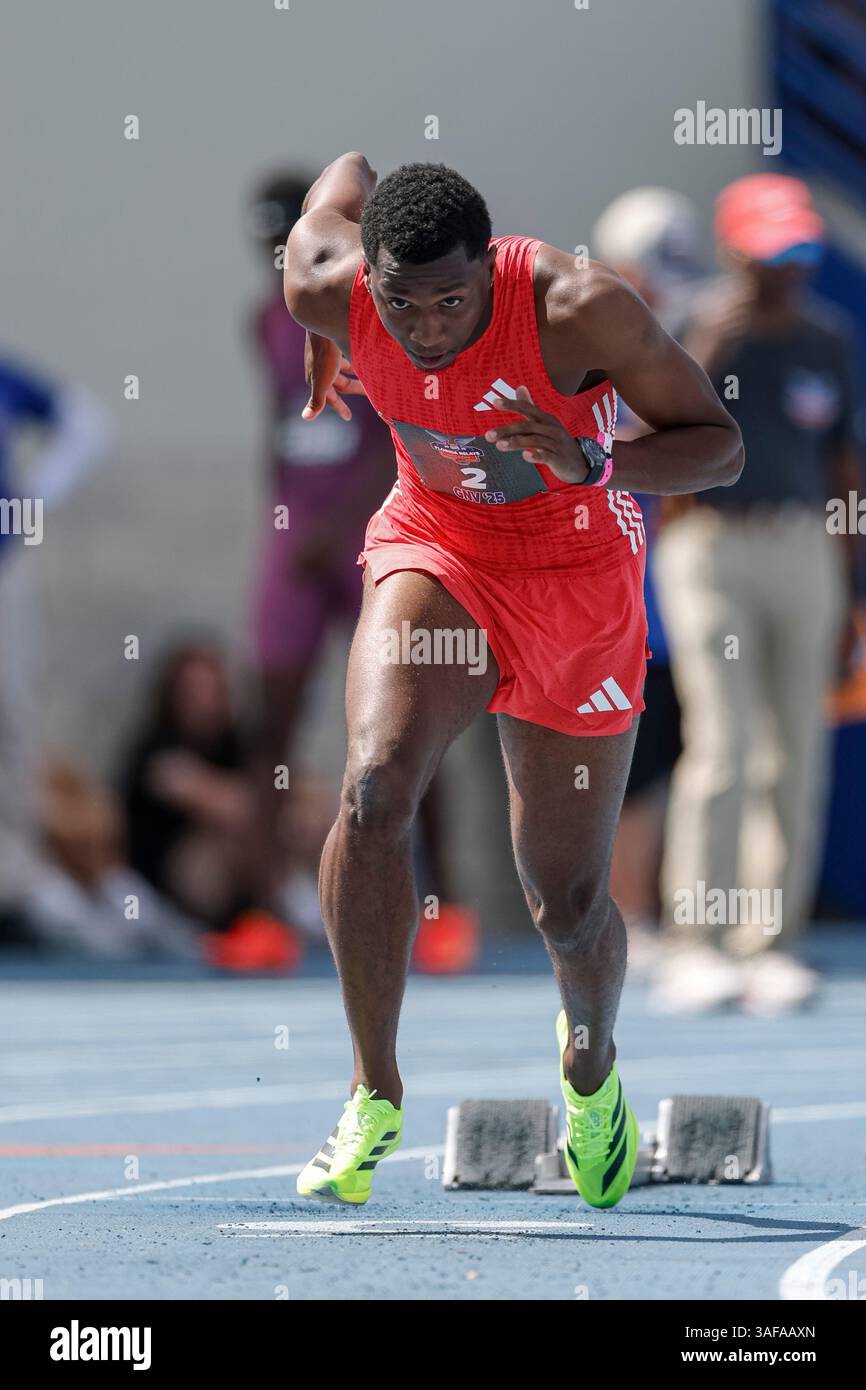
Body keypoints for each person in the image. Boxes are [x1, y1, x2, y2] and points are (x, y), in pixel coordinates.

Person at [281, 153, 743, 1207]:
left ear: (489, 271)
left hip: (575, 575)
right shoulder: (327, 286)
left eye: (452, 301)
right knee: (372, 788)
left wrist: (595, 461)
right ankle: (372, 1090)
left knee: (566, 901)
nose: (426, 327)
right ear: (367, 279)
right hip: (437, 552)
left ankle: (590, 1076)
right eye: (399, 304)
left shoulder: (576, 307)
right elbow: (342, 174)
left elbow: (716, 447)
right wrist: (329, 336)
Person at [651, 173, 863, 1016]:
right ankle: (696, 939)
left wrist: (851, 588)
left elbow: (845, 464)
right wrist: (710, 344)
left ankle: (770, 942)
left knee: (797, 753)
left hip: (802, 543)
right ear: (737, 250)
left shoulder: (828, 339)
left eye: (802, 249)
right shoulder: (695, 325)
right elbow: (648, 429)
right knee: (723, 743)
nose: (792, 269)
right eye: (777, 251)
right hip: (709, 545)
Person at [245, 173, 470, 943]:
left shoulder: (379, 308)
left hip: (370, 536)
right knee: (269, 722)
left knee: (406, 722)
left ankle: (443, 910)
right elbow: (280, 434)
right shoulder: (263, 322)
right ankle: (261, 908)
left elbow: (400, 432)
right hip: (298, 540)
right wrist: (284, 521)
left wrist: (336, 524)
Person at [592, 189, 703, 973]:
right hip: (607, 589)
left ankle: (646, 912)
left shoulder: (675, 340)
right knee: (623, 765)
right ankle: (625, 914)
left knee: (663, 757)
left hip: (663, 596)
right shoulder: (593, 342)